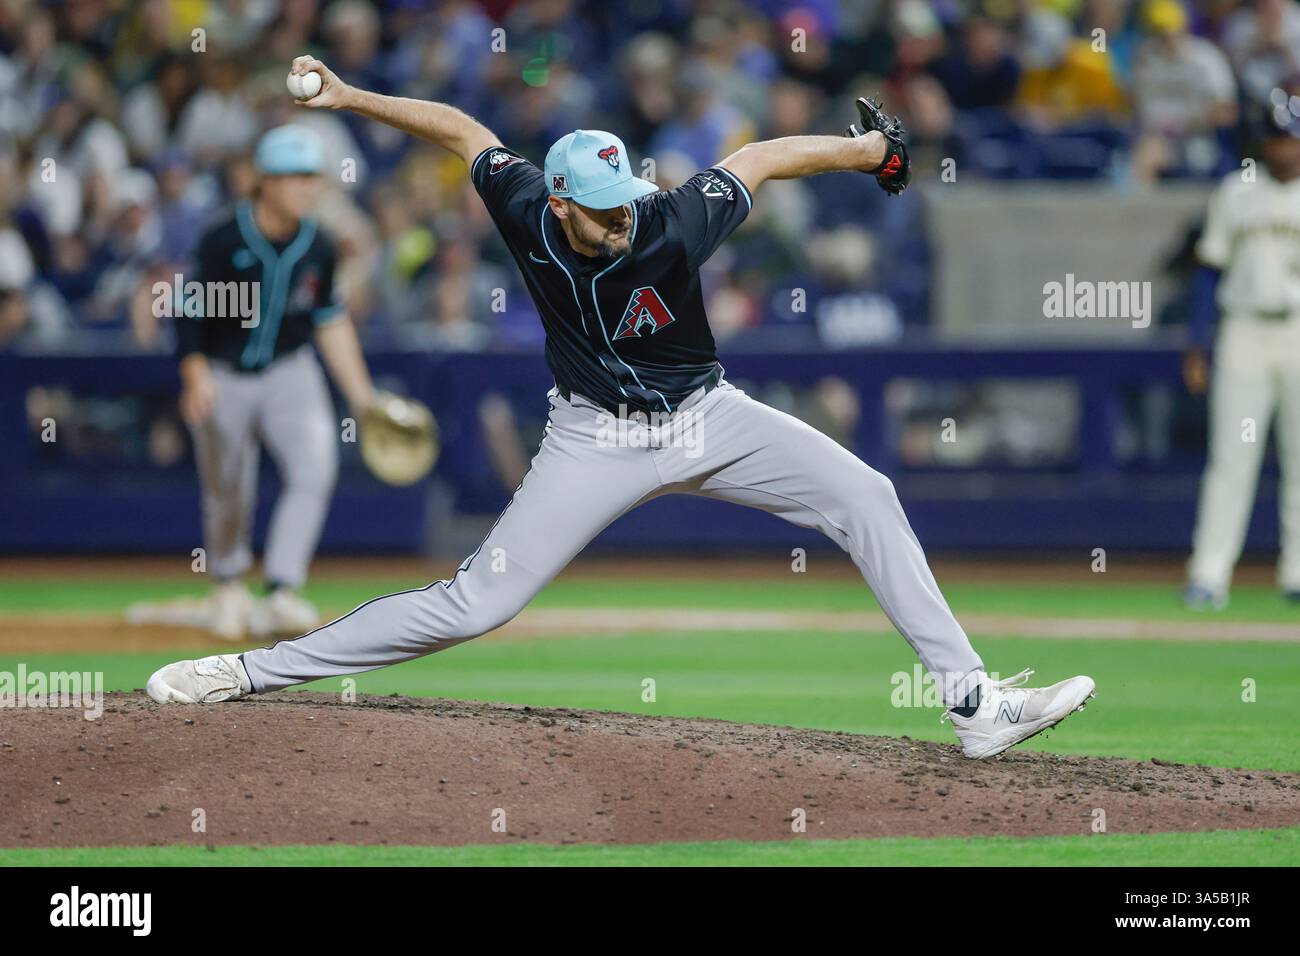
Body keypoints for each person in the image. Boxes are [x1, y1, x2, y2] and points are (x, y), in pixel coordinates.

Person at [146, 59, 1095, 760]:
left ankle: (973, 705)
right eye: (601, 204)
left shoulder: (670, 217)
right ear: (558, 203)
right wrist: (351, 98)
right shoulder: (526, 207)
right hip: (591, 435)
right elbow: (461, 130)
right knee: (478, 604)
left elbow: (760, 156)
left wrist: (863, 151)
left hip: (707, 416)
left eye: (625, 194)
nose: (623, 214)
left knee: (867, 494)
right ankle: (252, 671)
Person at [127, 124, 376, 639]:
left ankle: (282, 590)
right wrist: (194, 375)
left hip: (291, 370)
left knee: (314, 469)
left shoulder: (321, 245)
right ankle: (227, 585)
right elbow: (189, 312)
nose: (309, 187)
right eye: (297, 177)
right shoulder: (224, 238)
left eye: (313, 177)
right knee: (228, 486)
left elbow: (330, 320)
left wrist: (362, 396)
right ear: (266, 181)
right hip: (223, 372)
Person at [1184, 104, 1300, 608]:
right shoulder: (1237, 191)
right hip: (1244, 330)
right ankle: (1209, 574)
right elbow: (1208, 270)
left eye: (1292, 139)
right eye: (1278, 139)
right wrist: (1197, 341)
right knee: (1231, 458)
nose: (1285, 148)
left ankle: (1296, 574)